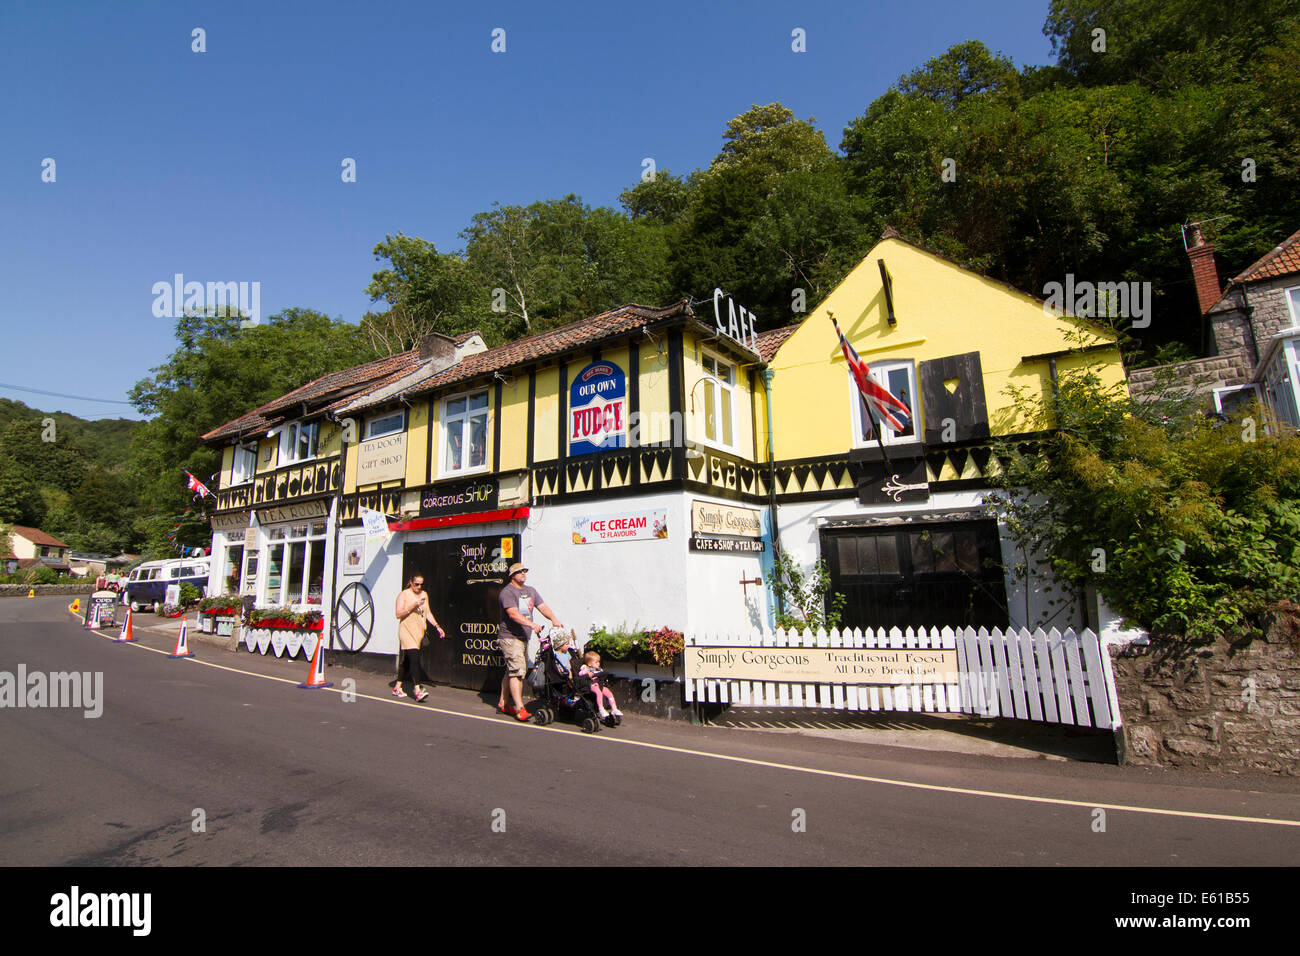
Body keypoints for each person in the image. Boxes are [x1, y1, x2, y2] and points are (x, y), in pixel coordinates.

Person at [497, 563, 564, 721]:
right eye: (520, 572)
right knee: (518, 672)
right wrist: (531, 624)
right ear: (512, 575)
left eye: (524, 571)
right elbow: (513, 614)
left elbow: (542, 606)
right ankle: (520, 708)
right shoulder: (507, 592)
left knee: (512, 670)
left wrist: (554, 619)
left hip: (522, 637)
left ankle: (503, 702)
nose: (523, 574)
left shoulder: (530, 591)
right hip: (509, 637)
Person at [393, 573, 445, 702]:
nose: (419, 586)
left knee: (407, 660)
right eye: (417, 584)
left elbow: (428, 613)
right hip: (406, 630)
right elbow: (398, 614)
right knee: (415, 659)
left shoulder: (424, 595)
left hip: (418, 631)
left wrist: (437, 626)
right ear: (411, 583)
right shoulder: (404, 594)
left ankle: (397, 687)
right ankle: (417, 691)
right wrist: (413, 606)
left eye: (421, 584)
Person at [579, 651, 623, 720]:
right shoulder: (586, 668)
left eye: (598, 662)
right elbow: (581, 674)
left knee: (609, 693)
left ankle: (614, 708)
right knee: (599, 693)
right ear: (589, 664)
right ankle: (601, 708)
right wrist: (588, 674)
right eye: (596, 662)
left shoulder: (599, 669)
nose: (598, 663)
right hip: (592, 685)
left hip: (600, 684)